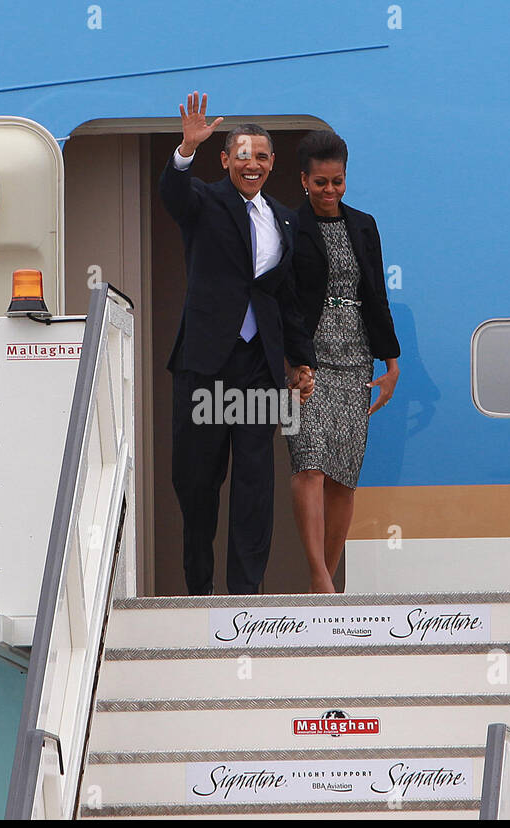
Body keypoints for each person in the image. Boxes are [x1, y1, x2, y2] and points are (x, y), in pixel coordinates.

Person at [160, 92, 315, 595]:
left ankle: (245, 598)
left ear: (272, 164)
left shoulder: (286, 219)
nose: (252, 164)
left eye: (262, 156)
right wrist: (185, 149)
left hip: (258, 365)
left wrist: (300, 362)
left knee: (255, 486)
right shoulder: (204, 200)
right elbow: (173, 195)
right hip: (205, 363)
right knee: (199, 484)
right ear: (225, 160)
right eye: (242, 155)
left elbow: (284, 298)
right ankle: (198, 592)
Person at [287, 129, 401, 593]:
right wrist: (295, 360)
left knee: (343, 476)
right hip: (308, 364)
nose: (329, 191)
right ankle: (320, 577)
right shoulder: (288, 227)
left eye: (337, 182)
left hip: (356, 358)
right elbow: (286, 300)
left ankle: (322, 584)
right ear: (303, 181)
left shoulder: (365, 225)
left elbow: (376, 293)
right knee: (309, 465)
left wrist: (391, 363)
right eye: (320, 183)